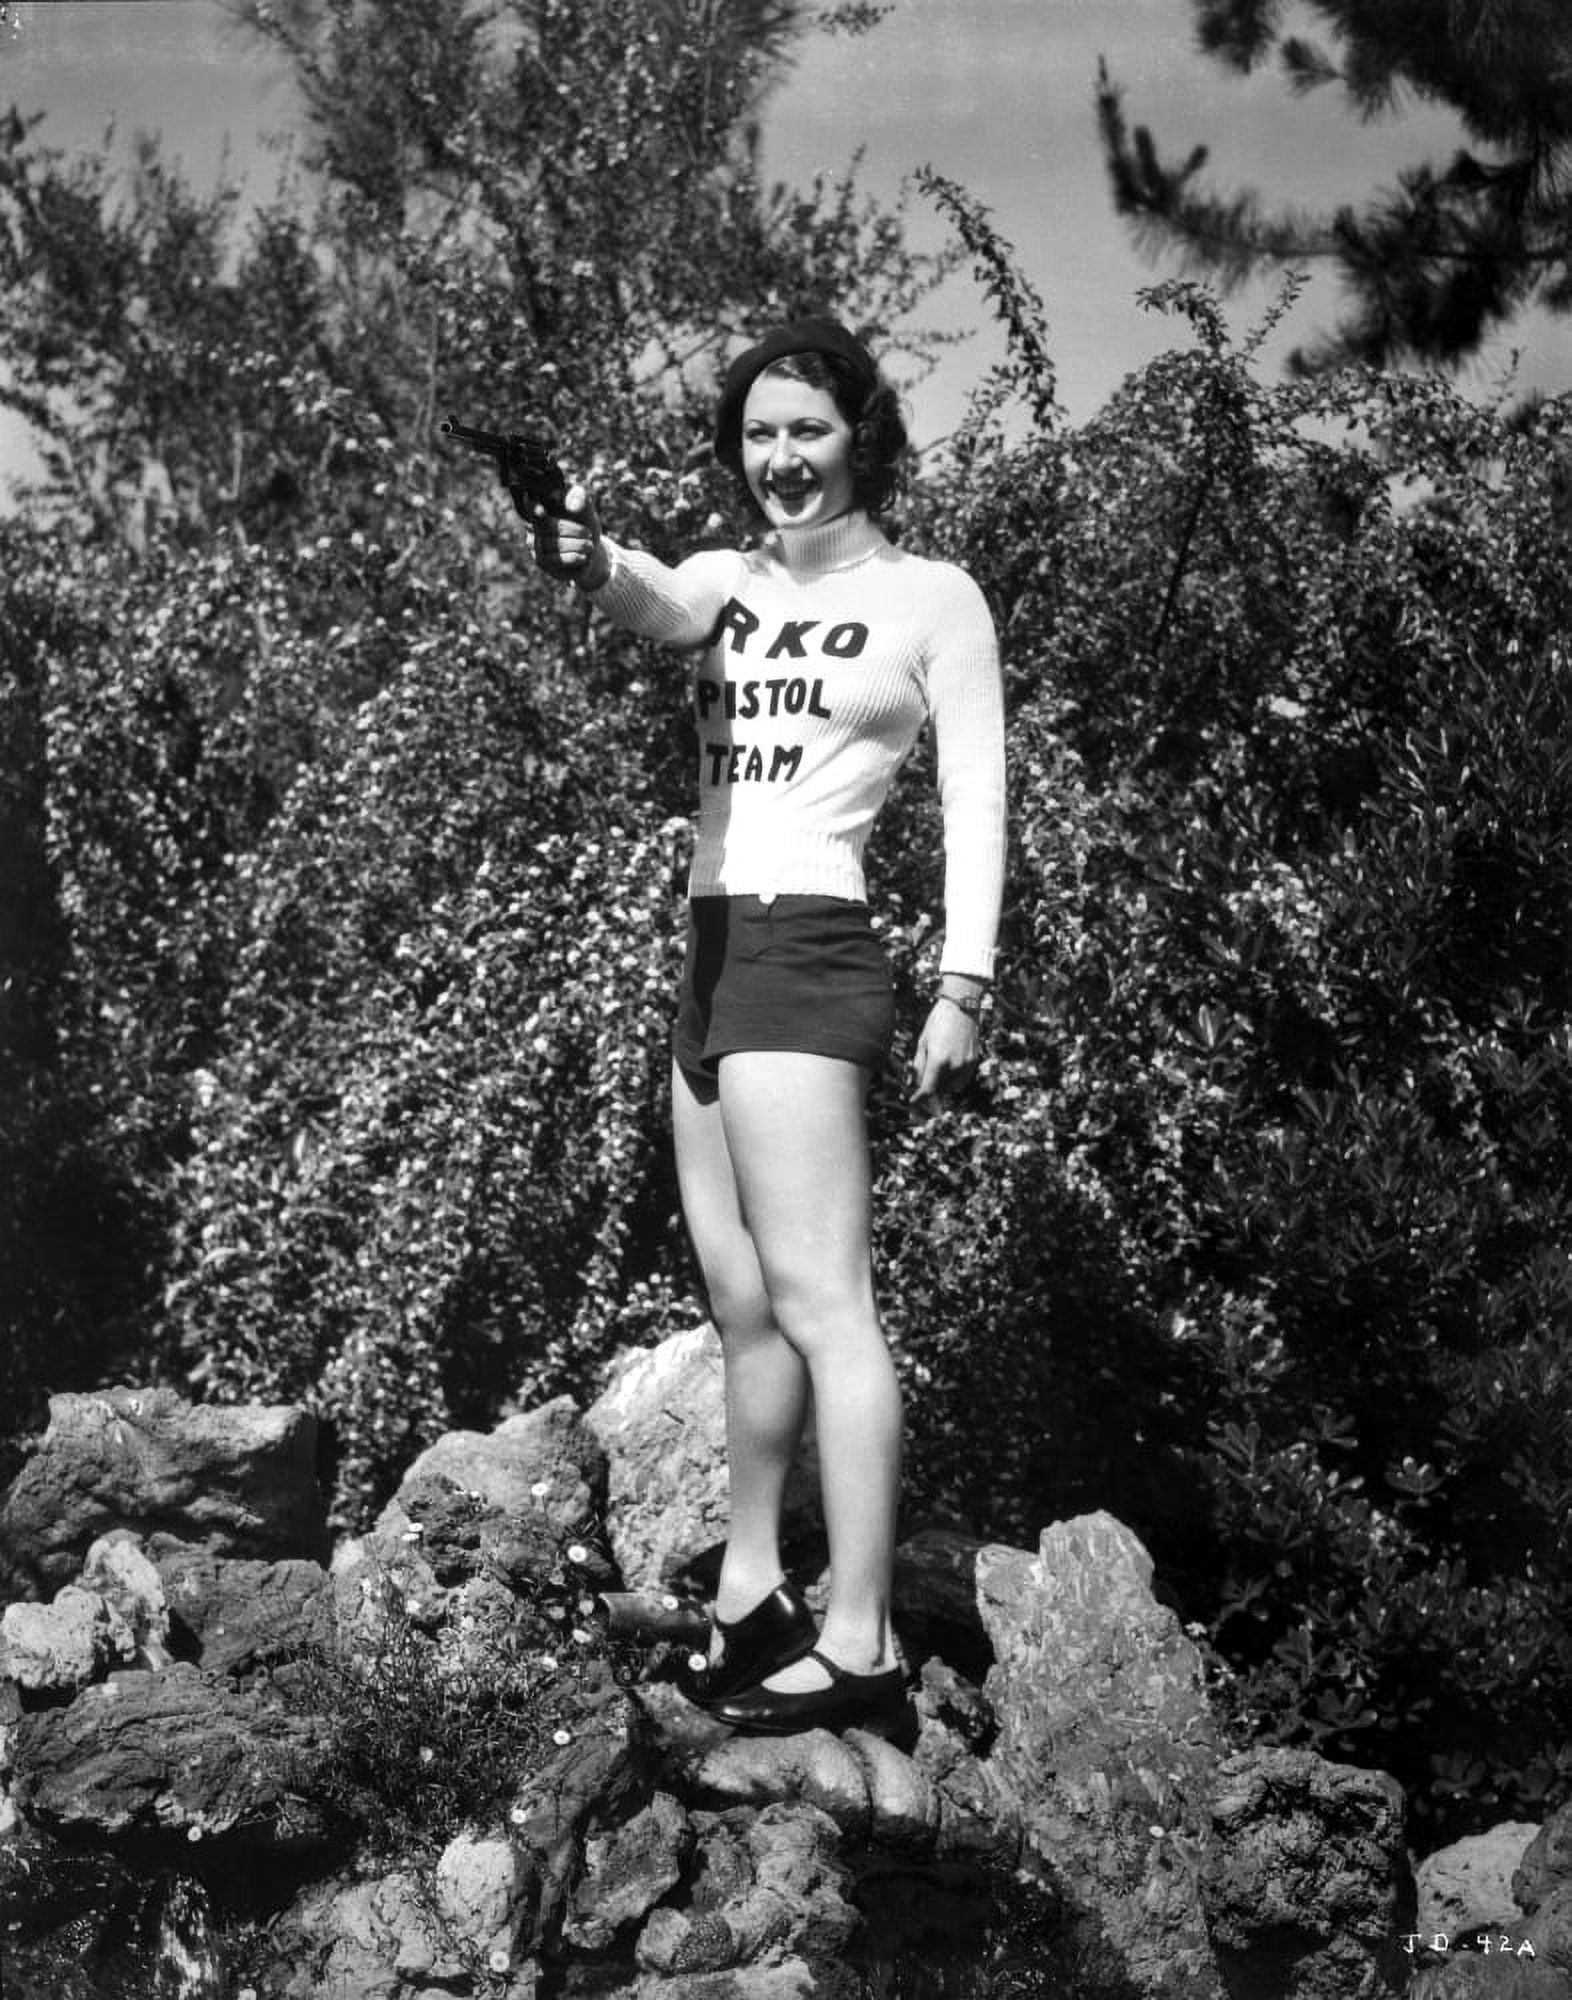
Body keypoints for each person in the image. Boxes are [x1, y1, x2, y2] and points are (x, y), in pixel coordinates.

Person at [521, 317, 1005, 1739]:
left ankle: (857, 1642)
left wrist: (961, 986)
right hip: (712, 948)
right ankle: (748, 1595)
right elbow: (652, 599)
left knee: (824, 1303)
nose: (782, 459)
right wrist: (583, 552)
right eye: (758, 436)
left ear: (861, 431)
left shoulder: (935, 598)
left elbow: (978, 798)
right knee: (743, 1307)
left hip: (810, 947)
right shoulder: (726, 581)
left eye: (808, 429)